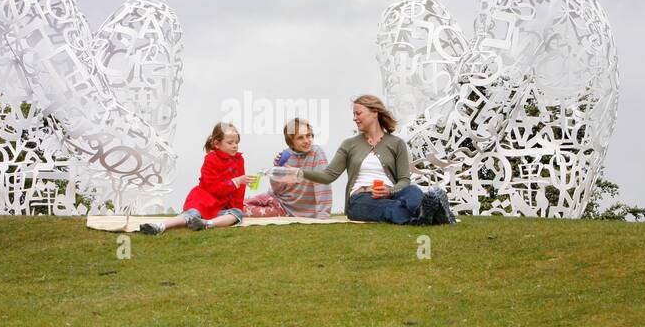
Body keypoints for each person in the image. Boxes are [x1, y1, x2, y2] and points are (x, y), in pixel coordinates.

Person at [296, 95, 456, 225]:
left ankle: (424, 215)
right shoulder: (349, 144)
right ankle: (432, 215)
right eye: (353, 114)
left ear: (374, 112)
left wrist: (389, 191)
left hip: (391, 193)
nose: (354, 118)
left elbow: (404, 180)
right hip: (361, 198)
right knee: (389, 208)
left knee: (413, 191)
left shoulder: (396, 143)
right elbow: (328, 175)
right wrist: (299, 173)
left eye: (358, 113)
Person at [139, 123, 258, 234]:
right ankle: (160, 226)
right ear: (217, 144)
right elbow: (212, 188)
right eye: (230, 142)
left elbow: (240, 189)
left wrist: (236, 206)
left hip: (222, 206)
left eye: (237, 142)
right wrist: (236, 181)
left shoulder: (239, 160)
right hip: (204, 200)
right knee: (192, 214)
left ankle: (206, 223)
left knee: (236, 214)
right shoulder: (211, 159)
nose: (235, 146)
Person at [243, 118, 333, 218]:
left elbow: (323, 186)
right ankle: (226, 213)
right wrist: (276, 170)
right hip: (275, 198)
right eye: (300, 138)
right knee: (240, 205)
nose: (307, 141)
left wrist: (323, 215)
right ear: (291, 142)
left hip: (287, 210)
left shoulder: (317, 153)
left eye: (308, 135)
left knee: (242, 211)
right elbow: (277, 190)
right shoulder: (285, 155)